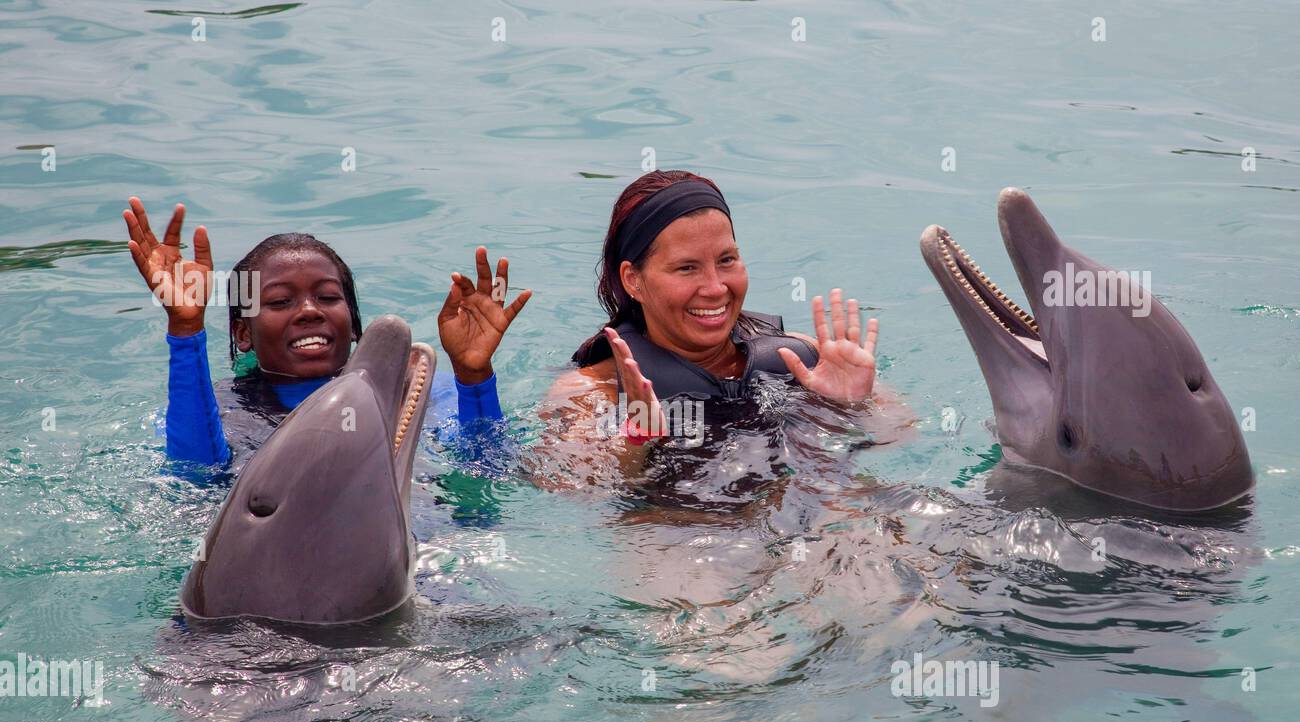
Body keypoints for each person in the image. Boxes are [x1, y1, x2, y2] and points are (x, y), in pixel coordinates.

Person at [122, 198, 529, 470]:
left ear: (353, 323)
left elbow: (487, 471)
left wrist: (474, 377)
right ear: (243, 334)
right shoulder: (227, 412)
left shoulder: (416, 391)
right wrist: (186, 330)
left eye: (328, 297)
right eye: (280, 302)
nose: (309, 311)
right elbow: (196, 479)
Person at [544, 170, 891, 475]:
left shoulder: (801, 359)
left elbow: (902, 437)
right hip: (685, 532)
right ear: (633, 279)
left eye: (727, 260)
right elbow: (569, 486)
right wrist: (639, 437)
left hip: (814, 509)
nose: (715, 288)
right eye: (687, 268)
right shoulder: (593, 391)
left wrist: (849, 407)